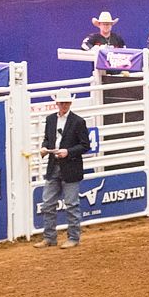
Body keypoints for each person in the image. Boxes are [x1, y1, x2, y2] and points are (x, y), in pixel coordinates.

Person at [34, 90, 90, 249]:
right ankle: (50, 237)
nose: (64, 105)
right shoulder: (50, 120)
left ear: (70, 104)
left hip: (69, 167)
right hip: (55, 165)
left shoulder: (78, 122)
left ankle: (72, 237)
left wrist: (68, 152)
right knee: (47, 203)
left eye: (66, 103)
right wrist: (45, 147)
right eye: (61, 103)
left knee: (71, 204)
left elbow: (85, 145)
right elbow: (48, 139)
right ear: (57, 103)